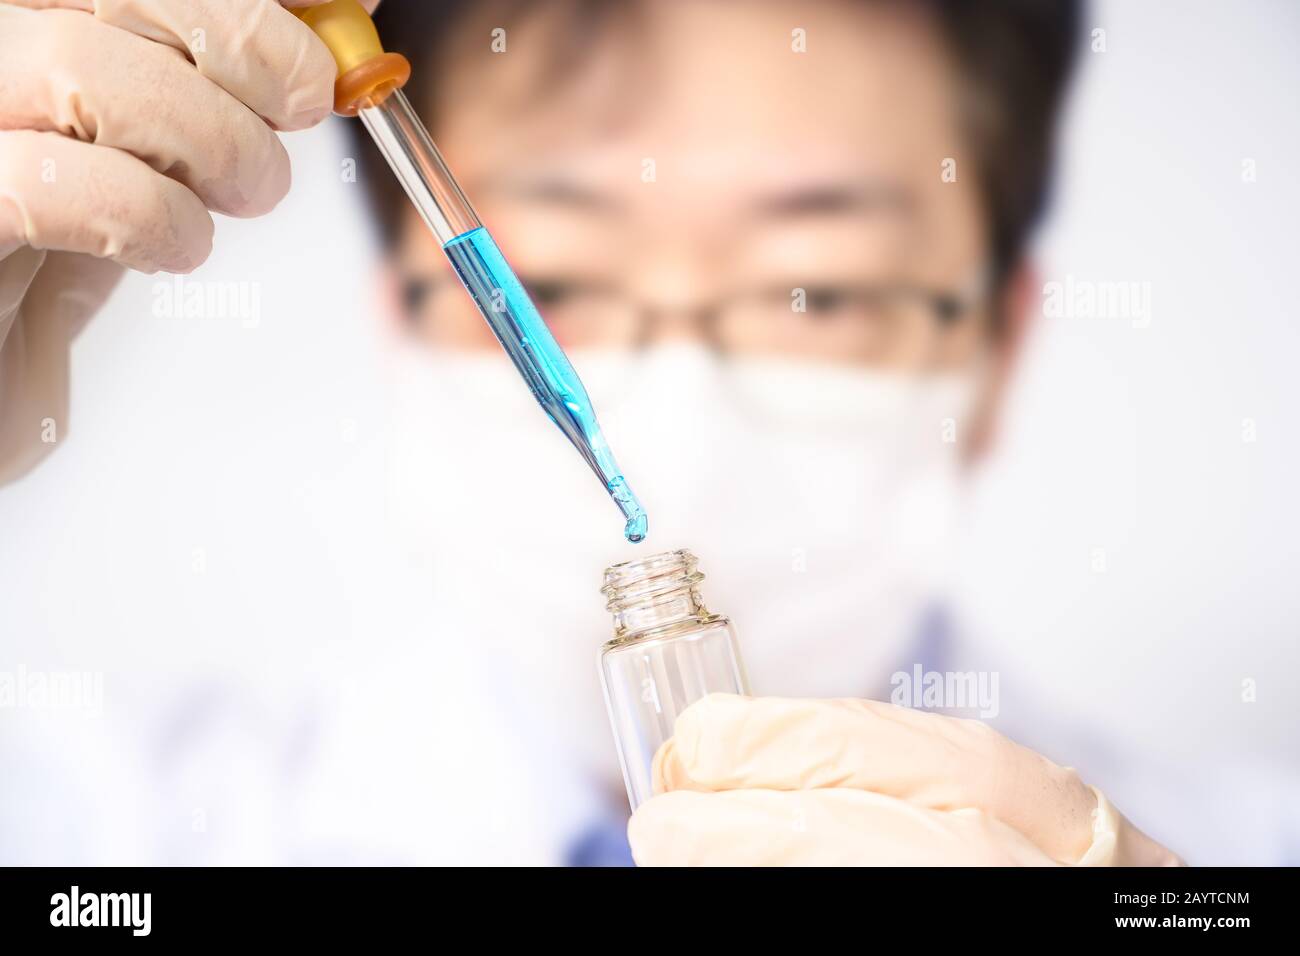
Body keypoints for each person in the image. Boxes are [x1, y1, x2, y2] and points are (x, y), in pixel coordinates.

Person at [0, 0, 1216, 865]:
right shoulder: (105, 830)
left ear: (995, 349)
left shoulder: (1225, 854)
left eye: (818, 289)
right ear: (396, 319)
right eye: (567, 280)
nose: (678, 415)